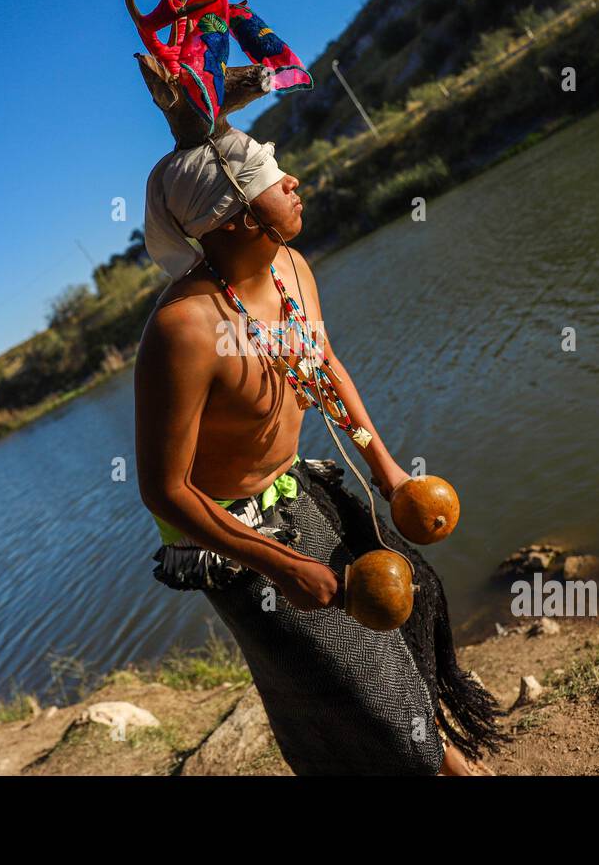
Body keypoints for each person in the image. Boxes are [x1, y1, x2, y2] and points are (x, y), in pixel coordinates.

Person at [133, 125, 499, 775]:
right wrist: (278, 564)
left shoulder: (290, 269)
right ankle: (424, 762)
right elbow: (167, 490)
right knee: (350, 686)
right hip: (230, 533)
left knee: (412, 607)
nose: (294, 181)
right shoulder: (182, 330)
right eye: (275, 177)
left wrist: (385, 471)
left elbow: (321, 364)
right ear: (238, 213)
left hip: (296, 484)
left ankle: (440, 755)